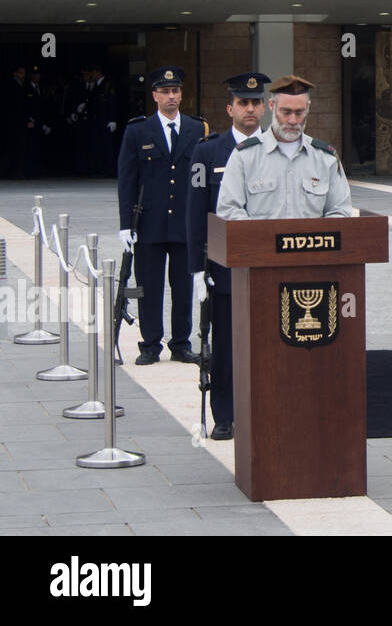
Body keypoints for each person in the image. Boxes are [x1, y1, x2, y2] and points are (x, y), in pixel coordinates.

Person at [187, 72, 271, 441]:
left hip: (268, 265)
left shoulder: (279, 149)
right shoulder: (207, 152)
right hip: (224, 268)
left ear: (265, 108)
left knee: (268, 343)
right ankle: (225, 414)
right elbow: (195, 213)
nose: (250, 108)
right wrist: (196, 269)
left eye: (255, 102)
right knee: (225, 345)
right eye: (243, 103)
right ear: (229, 109)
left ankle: (265, 409)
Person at [117, 67, 207, 365]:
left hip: (184, 223)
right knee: (149, 288)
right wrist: (125, 224)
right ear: (154, 95)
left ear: (181, 94)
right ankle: (150, 344)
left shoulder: (197, 129)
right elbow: (127, 180)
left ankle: (181, 344)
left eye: (175, 91)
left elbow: (201, 178)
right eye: (165, 91)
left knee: (183, 288)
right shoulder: (138, 130)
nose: (171, 96)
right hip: (149, 223)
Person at [216, 75, 352, 220]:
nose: (292, 120)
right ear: (271, 106)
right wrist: (262, 233)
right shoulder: (244, 156)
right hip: (259, 235)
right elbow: (229, 210)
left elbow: (340, 212)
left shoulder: (325, 158)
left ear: (308, 108)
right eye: (286, 112)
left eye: (299, 113)